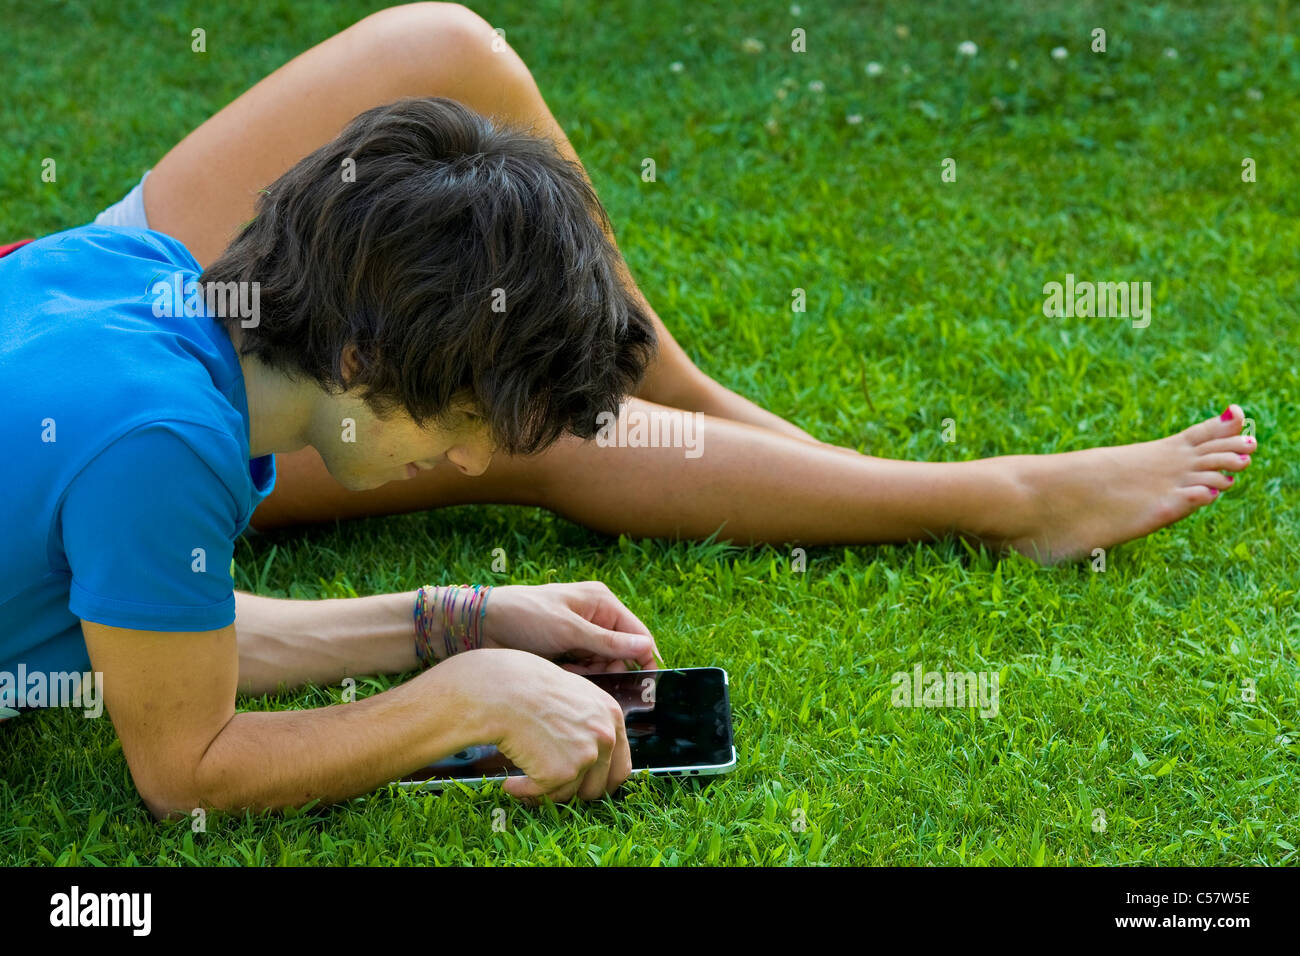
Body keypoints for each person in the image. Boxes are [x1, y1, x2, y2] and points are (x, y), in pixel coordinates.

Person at [0, 3, 1255, 816]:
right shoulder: (161, 440)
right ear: (367, 357)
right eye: (471, 420)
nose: (476, 459)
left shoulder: (159, 302)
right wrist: (459, 701)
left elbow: (162, 626)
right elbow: (190, 766)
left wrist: (452, 618)